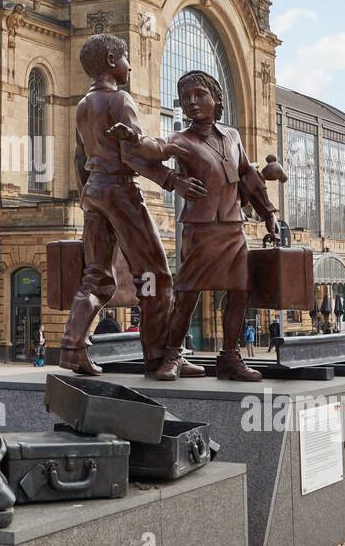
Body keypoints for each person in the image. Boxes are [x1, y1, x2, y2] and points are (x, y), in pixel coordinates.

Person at [114, 68, 278, 381]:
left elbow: (248, 175)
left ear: (217, 100)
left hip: (233, 229)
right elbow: (148, 153)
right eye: (184, 97)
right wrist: (171, 179)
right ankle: (173, 354)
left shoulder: (232, 136)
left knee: (240, 293)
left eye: (199, 95)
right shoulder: (180, 139)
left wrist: (268, 212)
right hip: (200, 230)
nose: (191, 102)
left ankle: (230, 356)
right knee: (188, 293)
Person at [59, 33, 207, 378]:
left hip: (95, 192)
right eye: (126, 58)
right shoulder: (119, 99)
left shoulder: (83, 104)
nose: (130, 65)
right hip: (120, 192)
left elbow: (79, 156)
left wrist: (87, 197)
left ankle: (71, 346)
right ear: (112, 60)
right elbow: (137, 153)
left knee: (96, 275)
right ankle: (159, 357)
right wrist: (173, 174)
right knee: (155, 275)